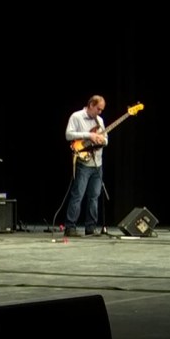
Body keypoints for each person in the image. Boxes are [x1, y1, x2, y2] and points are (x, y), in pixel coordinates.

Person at [63, 95, 108, 237]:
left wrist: (102, 139)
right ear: (91, 105)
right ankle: (70, 227)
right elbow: (68, 135)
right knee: (78, 195)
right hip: (83, 162)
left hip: (97, 163)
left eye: (101, 110)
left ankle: (91, 227)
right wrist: (89, 135)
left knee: (94, 196)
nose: (100, 112)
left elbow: (106, 140)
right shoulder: (77, 116)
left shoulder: (100, 121)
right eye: (98, 109)